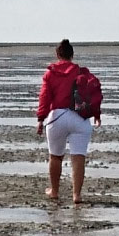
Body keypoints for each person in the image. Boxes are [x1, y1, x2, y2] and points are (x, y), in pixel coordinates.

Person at [38, 38, 103, 205]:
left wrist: (40, 119)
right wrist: (96, 114)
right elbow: (93, 93)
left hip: (57, 117)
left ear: (57, 54)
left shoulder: (50, 73)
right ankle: (76, 195)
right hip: (79, 118)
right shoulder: (81, 72)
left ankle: (54, 191)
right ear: (72, 55)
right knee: (78, 157)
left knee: (55, 156)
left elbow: (45, 98)